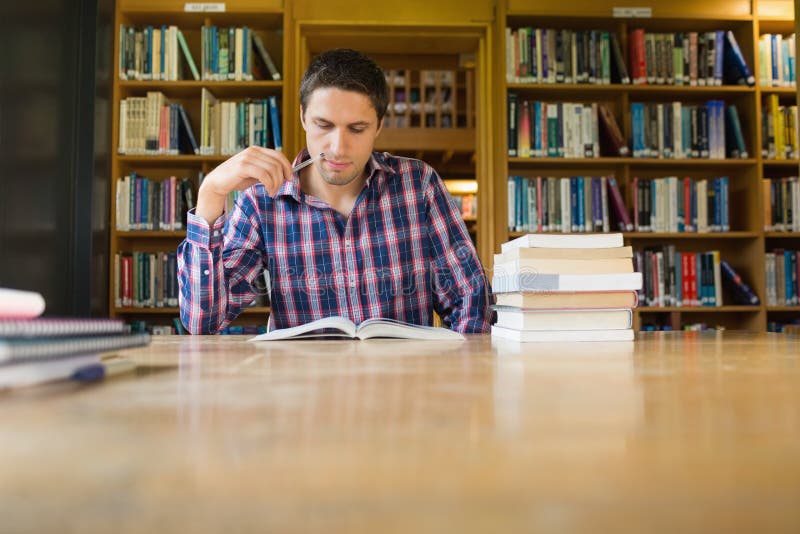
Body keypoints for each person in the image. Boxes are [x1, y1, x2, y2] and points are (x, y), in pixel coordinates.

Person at [177, 48, 490, 334]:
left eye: (357, 129)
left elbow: (470, 303)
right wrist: (210, 195)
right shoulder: (261, 201)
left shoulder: (418, 185)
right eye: (324, 126)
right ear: (303, 117)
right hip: (304, 388)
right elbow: (203, 322)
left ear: (379, 126)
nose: (338, 148)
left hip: (403, 388)